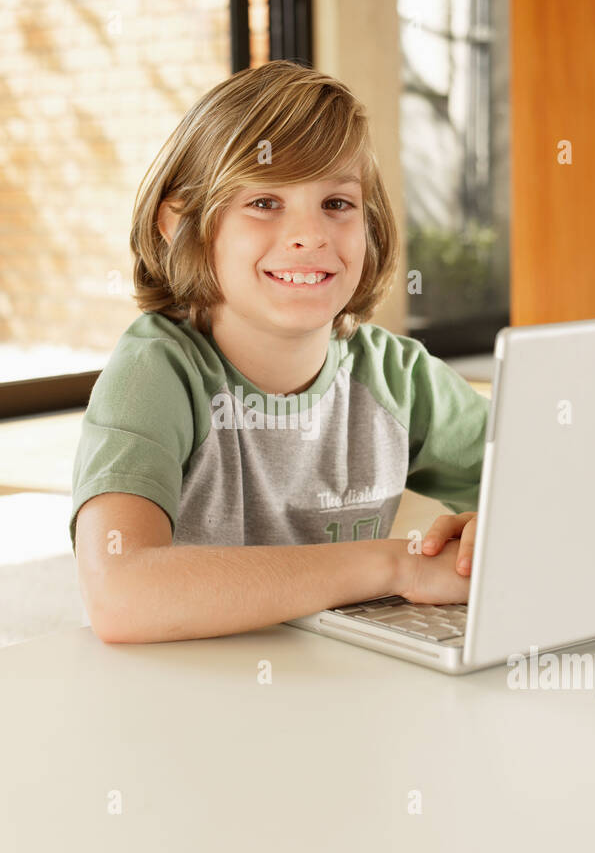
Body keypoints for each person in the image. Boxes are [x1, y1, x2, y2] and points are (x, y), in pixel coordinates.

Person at [70, 60, 489, 643]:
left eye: (336, 204)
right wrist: (397, 564)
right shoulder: (157, 372)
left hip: (340, 686)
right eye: (265, 202)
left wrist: (494, 528)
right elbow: (119, 593)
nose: (310, 235)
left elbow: (567, 483)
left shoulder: (397, 378)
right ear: (182, 223)